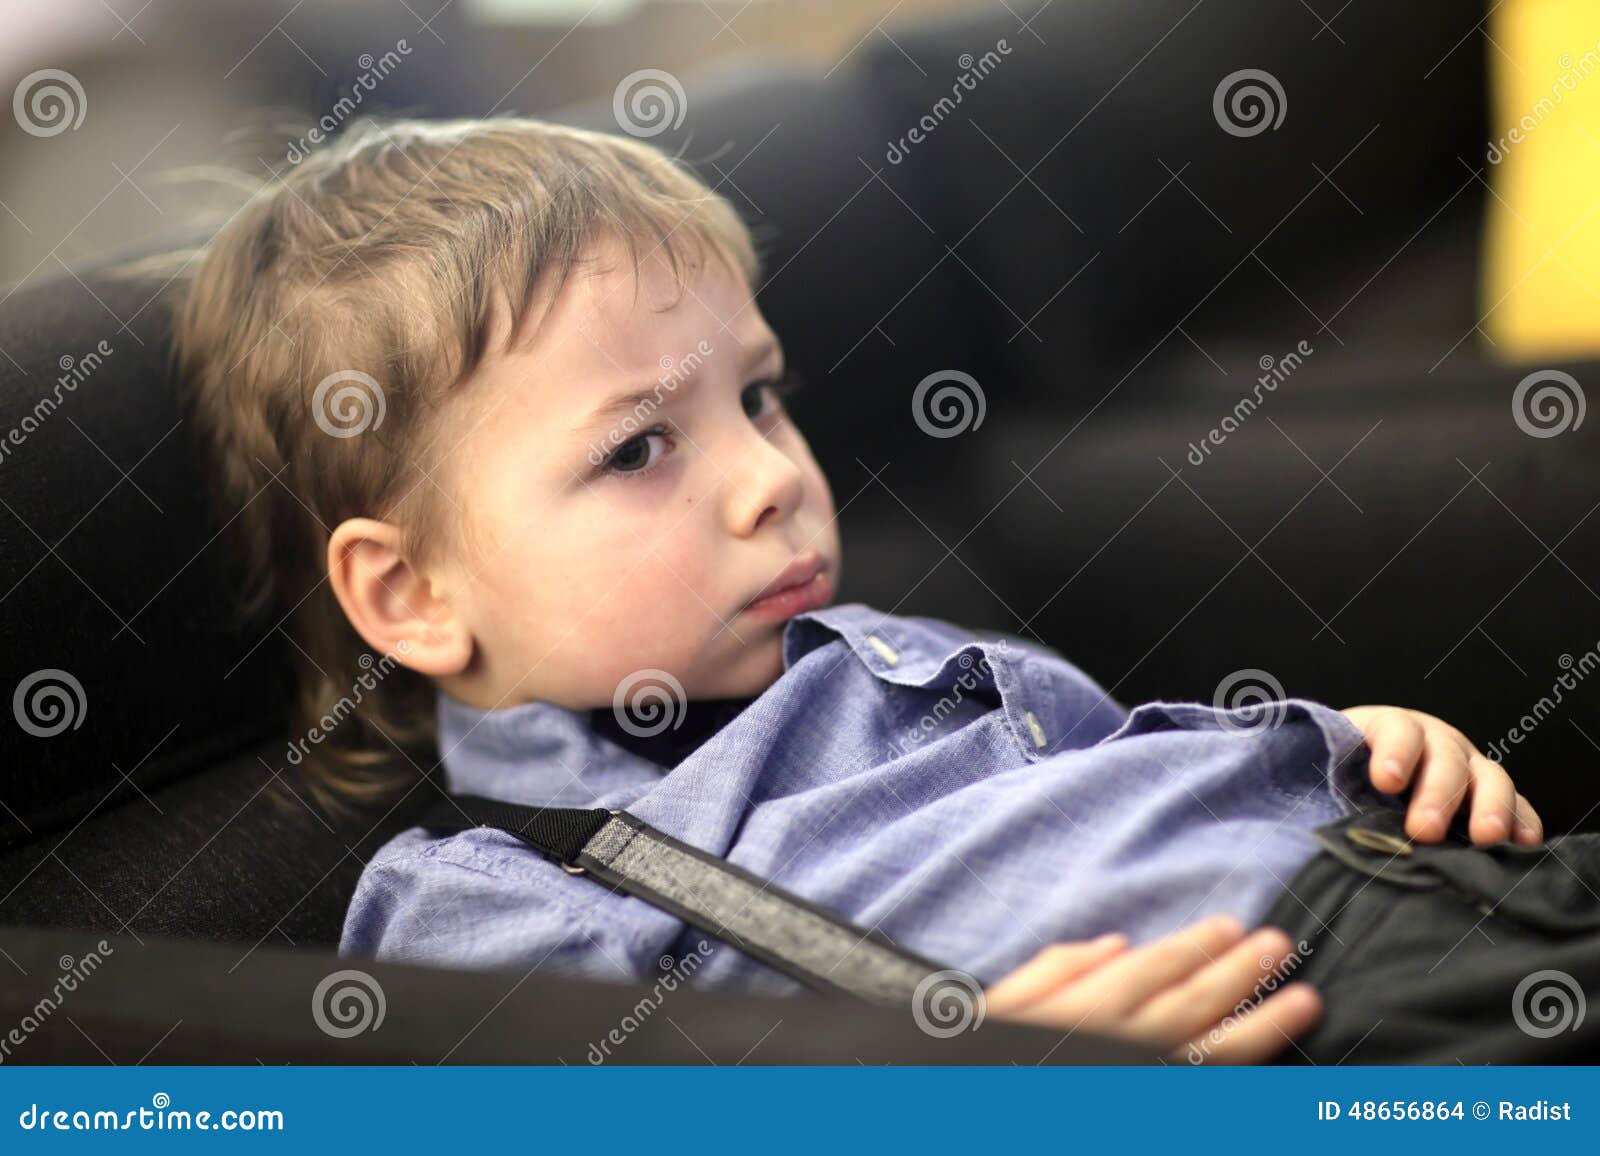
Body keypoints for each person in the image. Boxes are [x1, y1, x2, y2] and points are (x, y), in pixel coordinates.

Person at [173, 116, 1587, 1066]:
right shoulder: (492, 903)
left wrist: (1344, 749)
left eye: (759, 396)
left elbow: (1118, 775)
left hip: (1445, 887)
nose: (771, 476)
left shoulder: (897, 655)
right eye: (640, 448)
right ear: (412, 596)